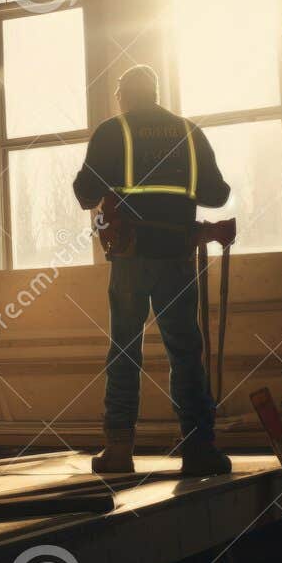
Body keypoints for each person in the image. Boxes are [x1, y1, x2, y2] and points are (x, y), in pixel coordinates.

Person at [73, 65, 234, 476]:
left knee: (125, 349)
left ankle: (119, 449)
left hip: (130, 257)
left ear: (123, 95)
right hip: (177, 256)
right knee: (185, 352)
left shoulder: (113, 131)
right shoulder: (187, 132)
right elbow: (217, 194)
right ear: (157, 93)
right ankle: (198, 448)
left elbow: (84, 193)